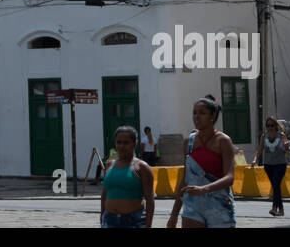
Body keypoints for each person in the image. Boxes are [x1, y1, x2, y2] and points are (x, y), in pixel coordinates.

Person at [168, 96, 236, 228]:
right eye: (194, 113)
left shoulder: (223, 141)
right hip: (192, 207)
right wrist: (174, 214)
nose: (196, 117)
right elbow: (185, 179)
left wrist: (203, 189)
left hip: (219, 205)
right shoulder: (188, 142)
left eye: (202, 113)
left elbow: (230, 177)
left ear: (212, 116)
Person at [100, 126, 155, 228]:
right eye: (119, 142)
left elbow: (150, 199)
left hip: (133, 221)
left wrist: (148, 225)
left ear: (134, 144)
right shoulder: (109, 165)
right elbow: (105, 193)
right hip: (109, 220)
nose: (121, 146)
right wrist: (102, 215)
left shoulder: (142, 168)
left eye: (126, 143)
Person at [255, 117, 290, 216]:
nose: (270, 127)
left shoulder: (281, 135)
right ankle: (281, 210)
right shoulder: (264, 136)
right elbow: (260, 150)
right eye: (268, 125)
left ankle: (274, 208)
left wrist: (287, 145)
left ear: (276, 126)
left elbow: (288, 149)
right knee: (276, 186)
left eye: (272, 125)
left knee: (276, 184)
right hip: (268, 165)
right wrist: (254, 160)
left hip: (280, 164)